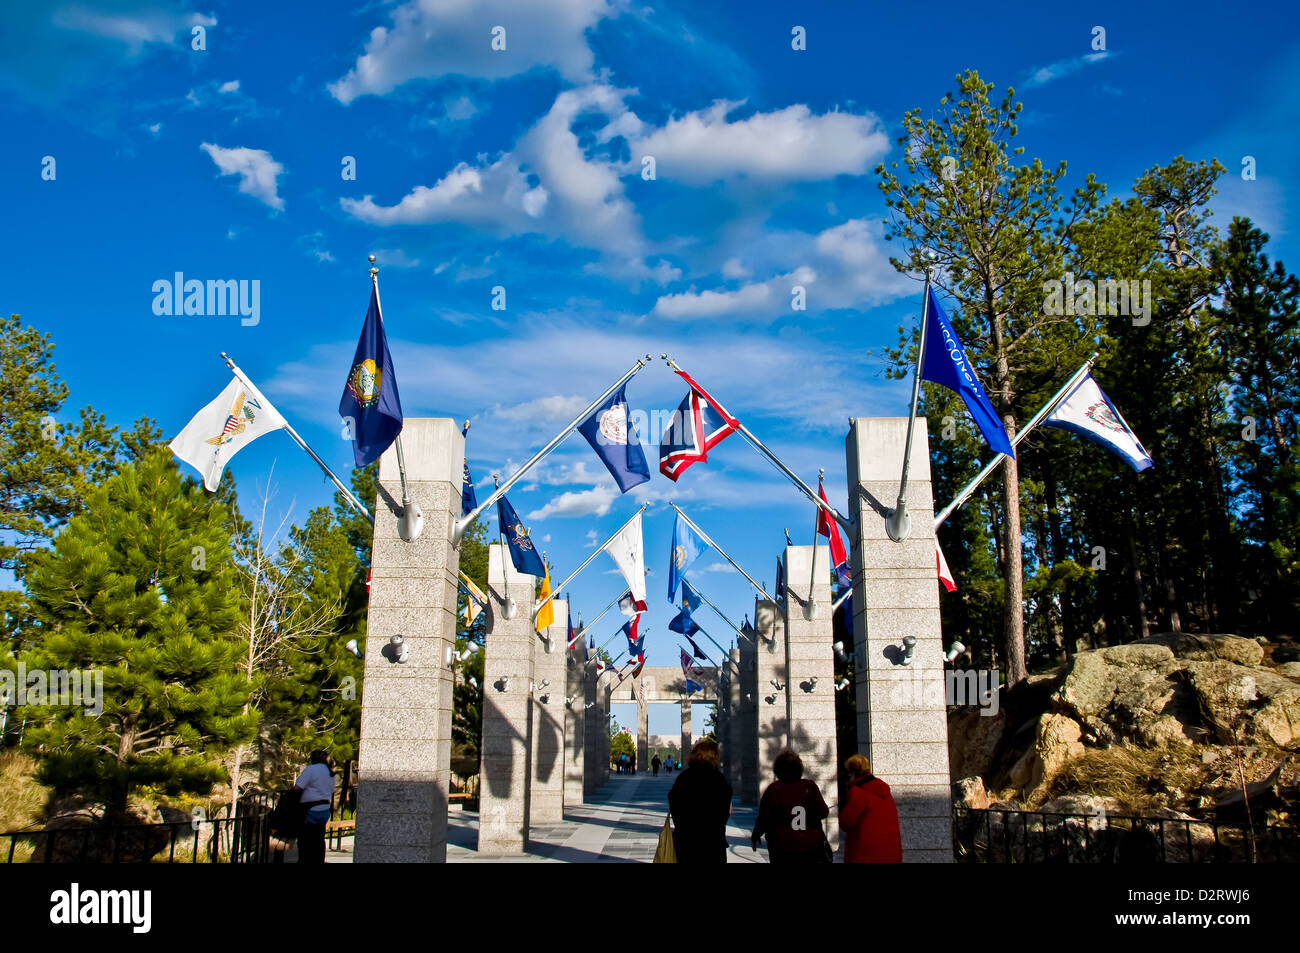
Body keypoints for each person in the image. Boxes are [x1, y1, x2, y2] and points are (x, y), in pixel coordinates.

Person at [751, 749, 830, 863]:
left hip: (781, 847)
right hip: (810, 845)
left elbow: (764, 817)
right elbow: (824, 812)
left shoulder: (774, 789)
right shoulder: (809, 787)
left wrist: (756, 834)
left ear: (778, 770)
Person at [667, 739, 732, 863]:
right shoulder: (718, 779)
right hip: (712, 842)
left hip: (686, 841)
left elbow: (673, 803)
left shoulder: (684, 777)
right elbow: (725, 812)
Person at [839, 754, 902, 863]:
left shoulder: (858, 793)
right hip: (891, 854)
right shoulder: (884, 792)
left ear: (852, 773)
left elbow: (845, 822)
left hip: (864, 855)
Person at [294, 750, 335, 865]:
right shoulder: (329, 771)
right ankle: (319, 860)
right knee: (319, 838)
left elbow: (297, 787)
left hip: (310, 810)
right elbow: (332, 790)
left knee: (304, 839)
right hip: (325, 809)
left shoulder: (311, 770)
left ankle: (304, 860)